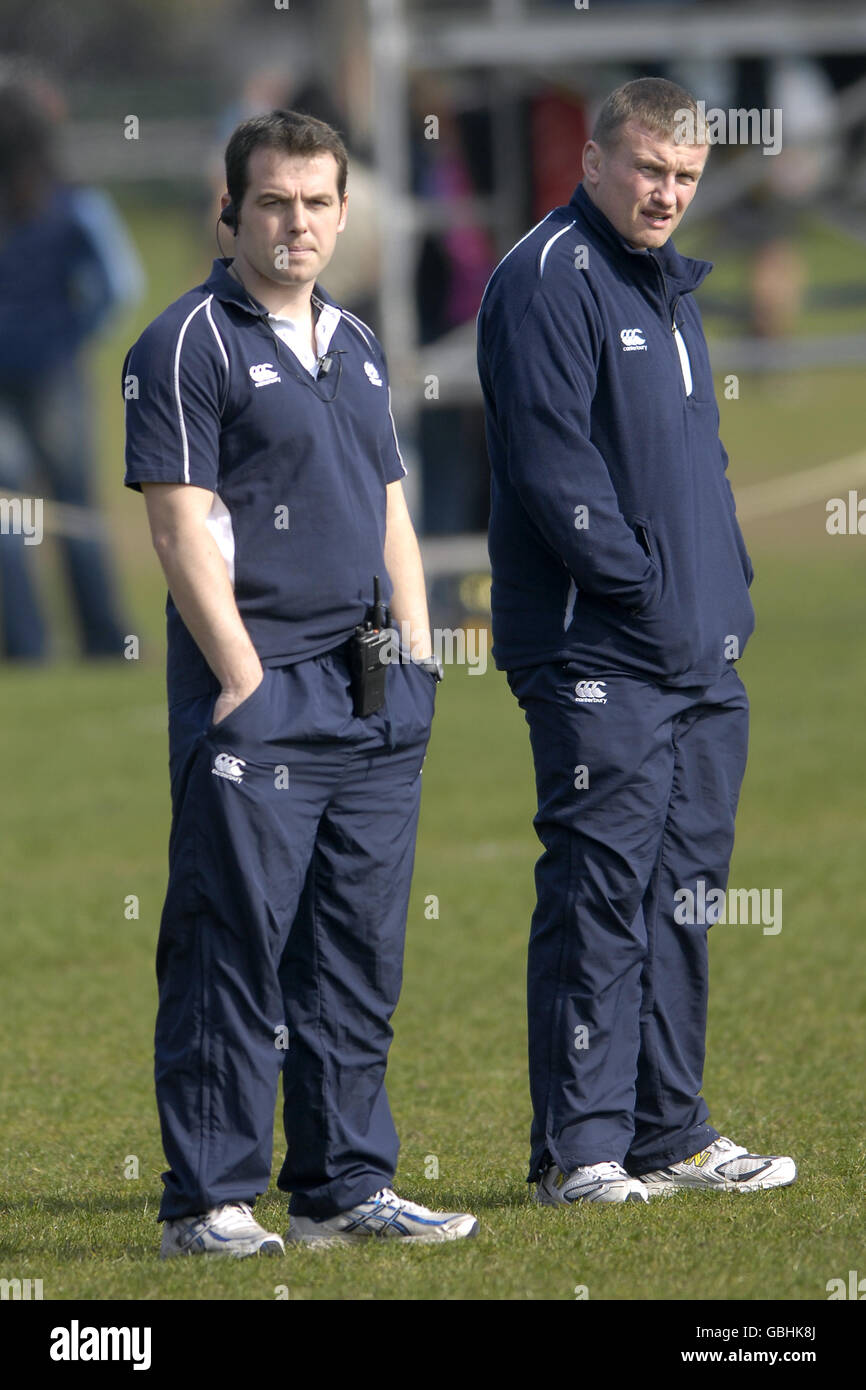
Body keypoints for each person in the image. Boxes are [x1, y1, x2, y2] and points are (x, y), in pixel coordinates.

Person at [123, 109, 477, 1254]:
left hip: (373, 694)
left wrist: (412, 663)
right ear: (230, 212)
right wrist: (243, 680)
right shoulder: (187, 343)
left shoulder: (358, 341)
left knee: (355, 952)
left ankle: (342, 1186)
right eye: (273, 201)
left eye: (318, 201)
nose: (297, 223)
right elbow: (178, 530)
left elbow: (390, 516)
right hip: (260, 694)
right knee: (233, 944)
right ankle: (209, 1202)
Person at [476, 78, 796, 1205]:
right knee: (599, 896)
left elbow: (691, 469)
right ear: (595, 162)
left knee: (683, 898)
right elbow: (553, 473)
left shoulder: (664, 285)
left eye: (685, 177)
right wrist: (655, 609)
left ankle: (670, 1130)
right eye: (648, 170)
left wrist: (724, 606)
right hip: (596, 657)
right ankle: (581, 1153)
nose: (665, 194)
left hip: (696, 660)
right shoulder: (543, 278)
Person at [0, 73, 141, 659]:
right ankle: (104, 640)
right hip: (57, 366)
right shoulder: (71, 197)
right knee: (75, 505)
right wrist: (77, 333)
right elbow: (119, 285)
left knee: (9, 512)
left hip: (23, 369)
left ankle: (25, 645)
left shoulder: (64, 198)